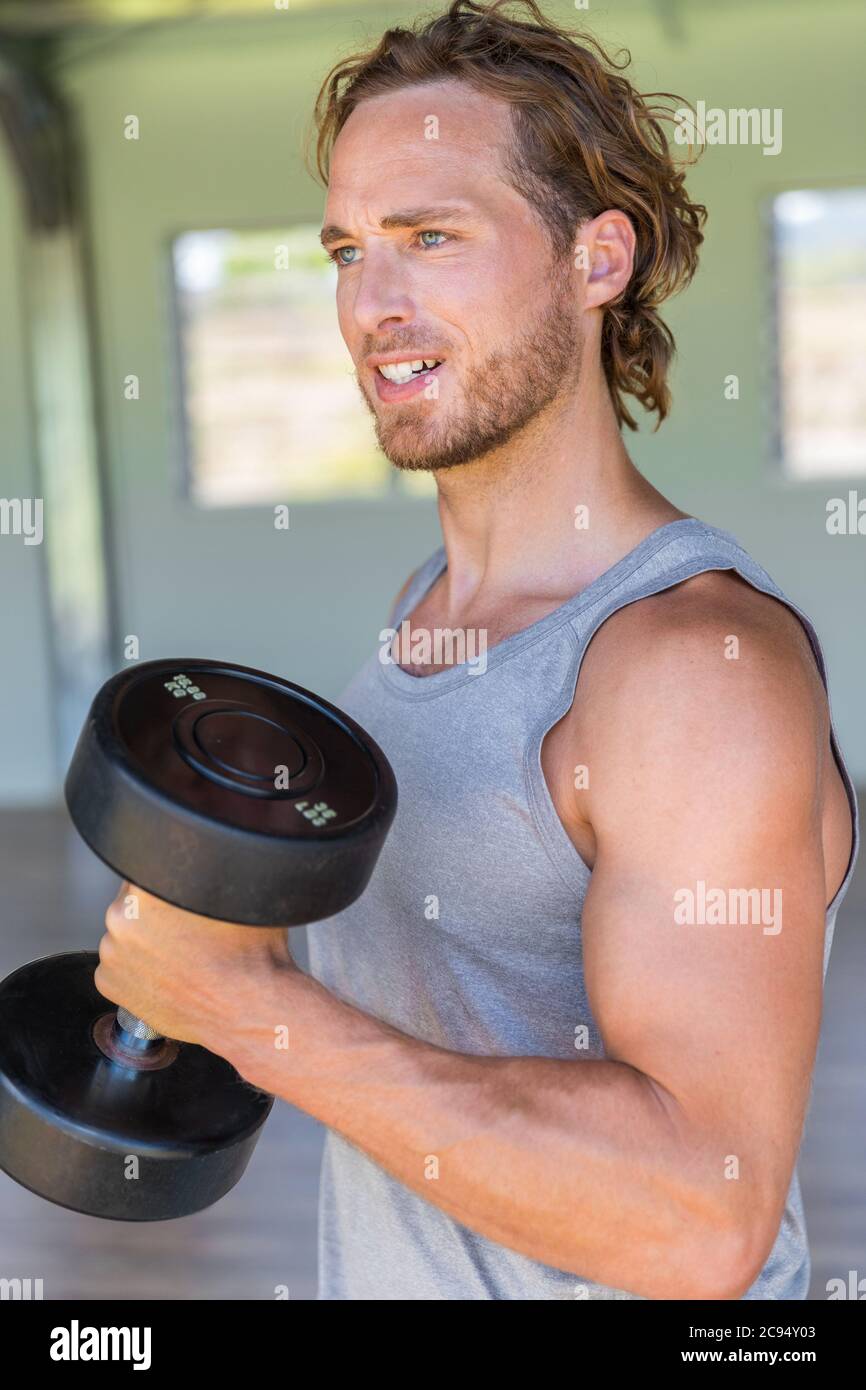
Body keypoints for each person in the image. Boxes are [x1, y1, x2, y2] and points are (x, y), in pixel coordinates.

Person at [97, 0, 858, 1299]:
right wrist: (217, 954)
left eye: (429, 237)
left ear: (595, 258)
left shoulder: (684, 665)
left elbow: (701, 1219)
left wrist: (252, 1010)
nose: (370, 305)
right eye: (344, 250)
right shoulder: (428, 605)